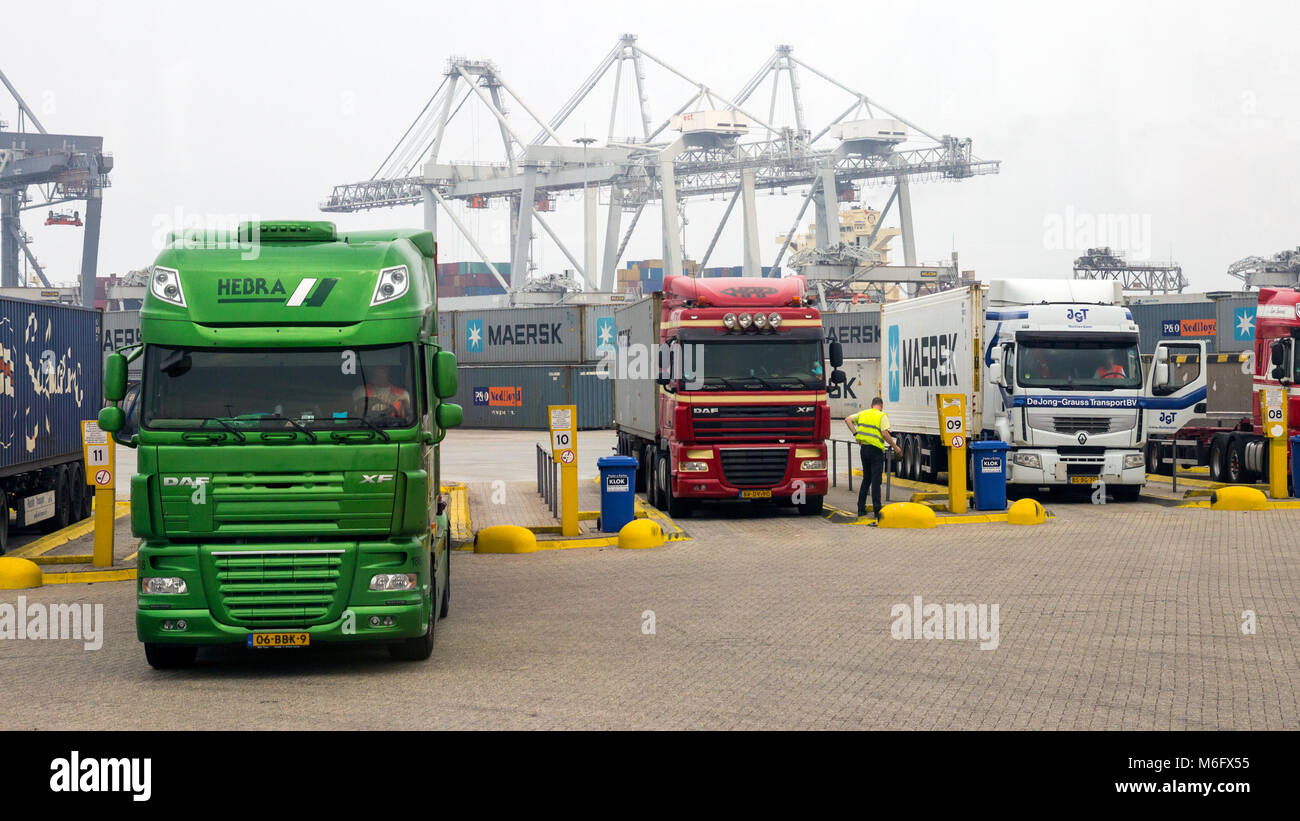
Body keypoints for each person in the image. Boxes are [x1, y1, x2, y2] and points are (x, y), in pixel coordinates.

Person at [845, 397, 903, 520]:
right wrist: (895, 447)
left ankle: (861, 508)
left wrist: (856, 434)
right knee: (876, 481)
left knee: (866, 479)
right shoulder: (882, 416)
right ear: (881, 406)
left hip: (864, 449)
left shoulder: (863, 413)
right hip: (876, 451)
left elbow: (848, 419)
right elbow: (884, 433)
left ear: (872, 405)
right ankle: (877, 510)